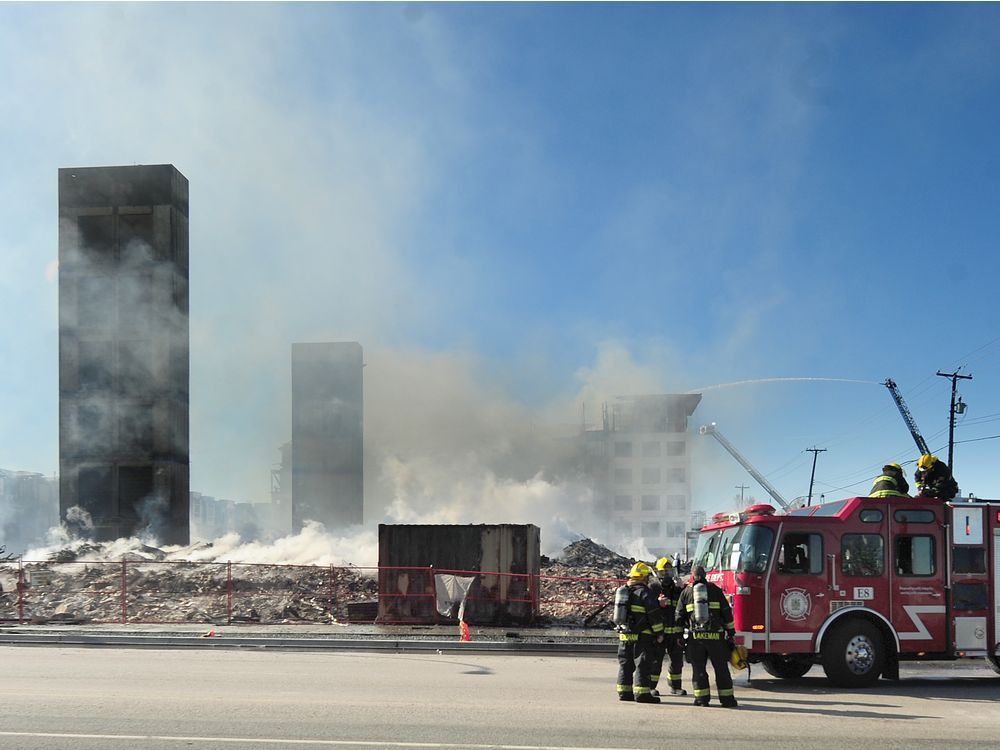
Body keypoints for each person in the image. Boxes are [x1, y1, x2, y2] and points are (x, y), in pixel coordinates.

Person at [675, 564, 738, 708]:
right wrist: (731, 633)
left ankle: (702, 699)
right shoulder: (715, 590)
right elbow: (726, 613)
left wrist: (679, 636)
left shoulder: (686, 593)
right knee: (721, 668)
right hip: (716, 638)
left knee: (699, 669)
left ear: (692, 576)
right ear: (705, 576)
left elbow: (678, 616)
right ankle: (727, 699)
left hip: (695, 638)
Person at [615, 561, 665, 704]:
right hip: (642, 636)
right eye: (647, 577)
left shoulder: (624, 591)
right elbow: (653, 615)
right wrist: (659, 633)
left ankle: (624, 692)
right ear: (643, 577)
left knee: (625, 664)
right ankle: (642, 694)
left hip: (625, 634)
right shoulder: (645, 592)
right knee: (642, 664)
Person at [646, 556, 687, 697]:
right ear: (658, 573)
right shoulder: (653, 588)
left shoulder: (677, 589)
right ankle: (651, 687)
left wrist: (684, 588)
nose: (666, 576)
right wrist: (657, 603)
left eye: (668, 572)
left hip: (675, 633)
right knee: (655, 662)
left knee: (677, 662)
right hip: (659, 634)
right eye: (663, 573)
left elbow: (686, 605)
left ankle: (675, 687)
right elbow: (647, 609)